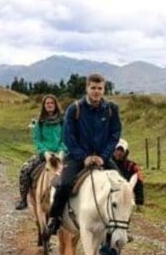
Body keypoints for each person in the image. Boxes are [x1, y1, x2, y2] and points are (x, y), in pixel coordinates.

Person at [45, 73, 121, 238]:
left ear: (104, 89)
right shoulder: (75, 108)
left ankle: (122, 225)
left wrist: (103, 155)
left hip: (103, 157)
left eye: (99, 88)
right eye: (93, 88)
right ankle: (55, 218)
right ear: (87, 88)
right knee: (64, 184)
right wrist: (83, 156)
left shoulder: (111, 109)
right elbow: (68, 136)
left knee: (122, 185)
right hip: (77, 157)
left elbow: (115, 134)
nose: (96, 91)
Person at [98, 138, 144, 255]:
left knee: (120, 232)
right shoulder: (106, 163)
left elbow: (139, 183)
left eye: (121, 151)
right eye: (117, 150)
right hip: (109, 202)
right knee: (106, 231)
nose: (118, 153)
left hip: (124, 204)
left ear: (125, 152)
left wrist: (140, 201)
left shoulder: (131, 166)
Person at [15, 94, 67, 210]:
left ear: (55, 105)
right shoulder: (39, 122)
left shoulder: (63, 121)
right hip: (45, 155)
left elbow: (65, 138)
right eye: (47, 103)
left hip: (61, 154)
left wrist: (61, 151)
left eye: (52, 103)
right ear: (44, 106)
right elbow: (37, 140)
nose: (50, 105)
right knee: (25, 170)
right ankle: (23, 200)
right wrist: (45, 152)